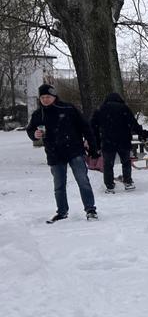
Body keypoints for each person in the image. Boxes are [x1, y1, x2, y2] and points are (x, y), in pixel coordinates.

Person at [26, 84, 99, 222]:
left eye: (48, 97)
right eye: (42, 97)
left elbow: (85, 127)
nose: (45, 100)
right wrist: (34, 134)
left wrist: (93, 147)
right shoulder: (38, 114)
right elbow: (30, 130)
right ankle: (62, 211)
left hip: (74, 150)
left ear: (54, 97)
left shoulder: (68, 108)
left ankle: (90, 209)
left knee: (83, 181)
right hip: (54, 153)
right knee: (59, 185)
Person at [91, 93, 148, 193]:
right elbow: (133, 124)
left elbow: (94, 127)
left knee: (108, 164)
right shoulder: (124, 108)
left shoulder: (101, 109)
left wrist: (97, 143)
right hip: (123, 140)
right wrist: (142, 133)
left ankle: (109, 186)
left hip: (108, 141)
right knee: (126, 162)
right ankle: (128, 182)